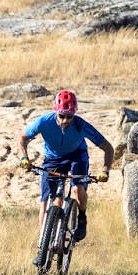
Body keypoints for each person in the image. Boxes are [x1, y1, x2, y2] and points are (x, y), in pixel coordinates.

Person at [17, 90, 114, 264]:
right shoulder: (43, 122)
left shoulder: (81, 125)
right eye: (62, 116)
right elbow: (22, 138)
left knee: (77, 189)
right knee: (46, 201)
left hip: (77, 156)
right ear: (56, 111)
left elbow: (108, 147)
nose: (65, 121)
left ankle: (82, 216)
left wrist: (105, 170)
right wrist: (25, 158)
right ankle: (43, 247)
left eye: (69, 117)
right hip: (53, 158)